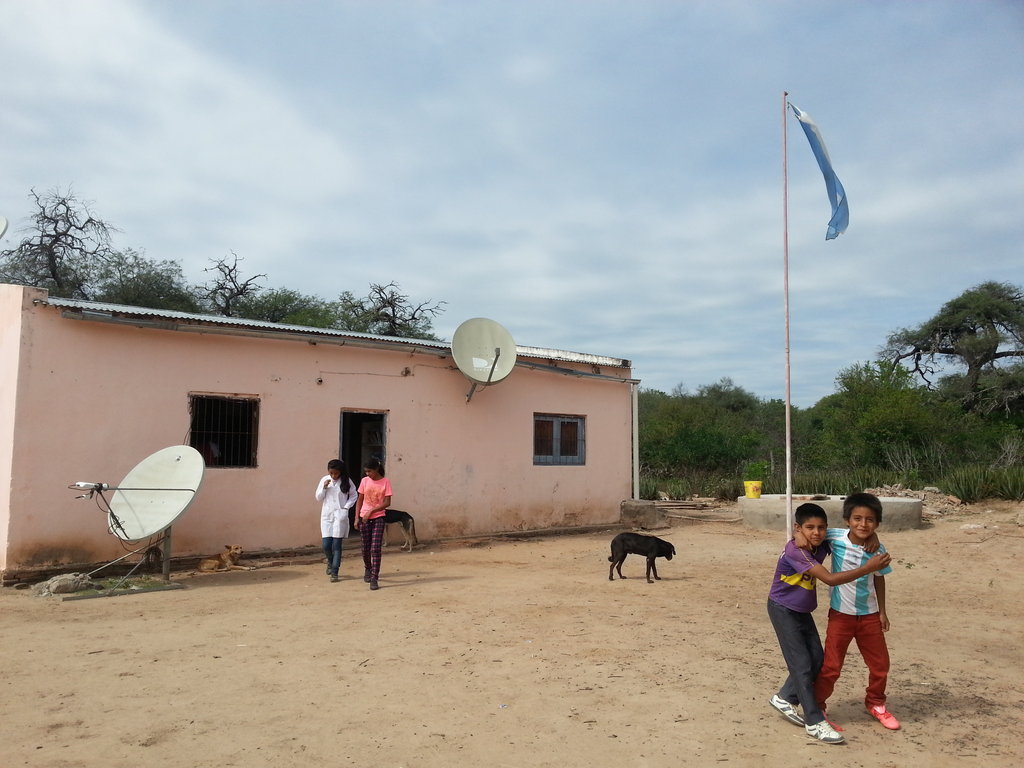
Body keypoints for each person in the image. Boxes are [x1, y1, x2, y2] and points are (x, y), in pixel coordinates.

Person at [767, 502, 891, 745]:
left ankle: (784, 698)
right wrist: (868, 567)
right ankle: (815, 722)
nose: (816, 532)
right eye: (809, 528)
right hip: (782, 609)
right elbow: (831, 580)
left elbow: (854, 531)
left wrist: (872, 534)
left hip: (802, 610)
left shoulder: (823, 540)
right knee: (802, 665)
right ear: (798, 528)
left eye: (821, 527)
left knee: (817, 659)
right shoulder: (797, 551)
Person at [815, 492, 900, 731]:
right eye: (857, 518)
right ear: (846, 520)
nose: (863, 524)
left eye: (870, 520)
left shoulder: (877, 548)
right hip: (841, 615)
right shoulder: (834, 537)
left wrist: (882, 611)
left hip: (870, 616)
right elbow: (813, 534)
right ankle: (818, 706)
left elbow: (880, 578)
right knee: (831, 666)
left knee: (880, 664)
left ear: (877, 524)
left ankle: (876, 703)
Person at [314, 459, 357, 583]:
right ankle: (330, 561)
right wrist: (324, 488)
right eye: (331, 473)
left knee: (336, 545)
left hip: (340, 515)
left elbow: (354, 495)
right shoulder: (324, 480)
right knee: (326, 545)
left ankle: (335, 571)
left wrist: (346, 507)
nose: (334, 476)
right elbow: (318, 497)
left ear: (340, 472)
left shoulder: (346, 481)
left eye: (336, 473)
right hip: (327, 516)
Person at [354, 457, 392, 591]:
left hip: (378, 518)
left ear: (376, 469)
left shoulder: (385, 482)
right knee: (365, 547)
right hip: (364, 518)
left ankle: (374, 577)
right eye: (366, 472)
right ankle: (367, 568)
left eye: (369, 471)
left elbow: (387, 503)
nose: (367, 474)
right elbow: (359, 500)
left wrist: (372, 511)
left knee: (375, 548)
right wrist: (356, 518)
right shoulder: (364, 481)